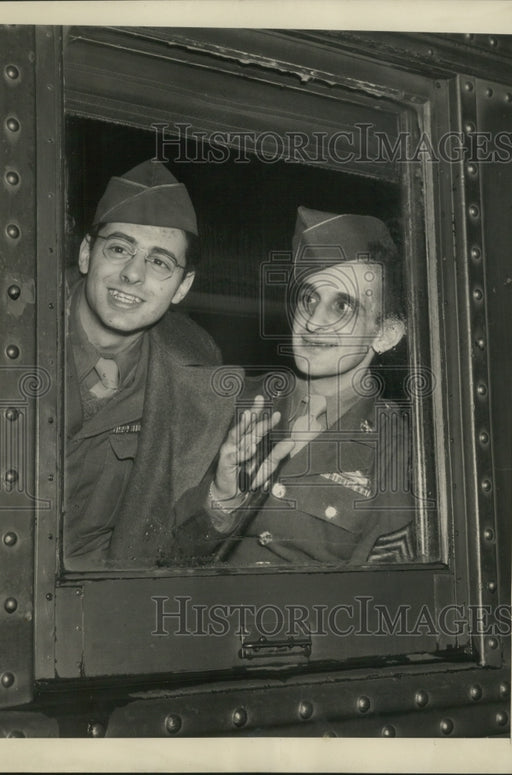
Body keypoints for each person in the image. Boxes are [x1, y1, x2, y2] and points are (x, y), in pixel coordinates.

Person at [177, 206, 417, 566]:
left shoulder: (400, 451)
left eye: (342, 306)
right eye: (309, 299)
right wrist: (220, 502)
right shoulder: (230, 400)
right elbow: (162, 556)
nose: (314, 322)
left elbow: (387, 589)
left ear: (385, 334)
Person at [63, 159, 237, 570]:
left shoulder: (192, 376)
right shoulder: (3, 333)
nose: (133, 274)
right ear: (87, 253)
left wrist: (219, 505)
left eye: (160, 262)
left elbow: (171, 549)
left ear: (183, 286)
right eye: (119, 248)